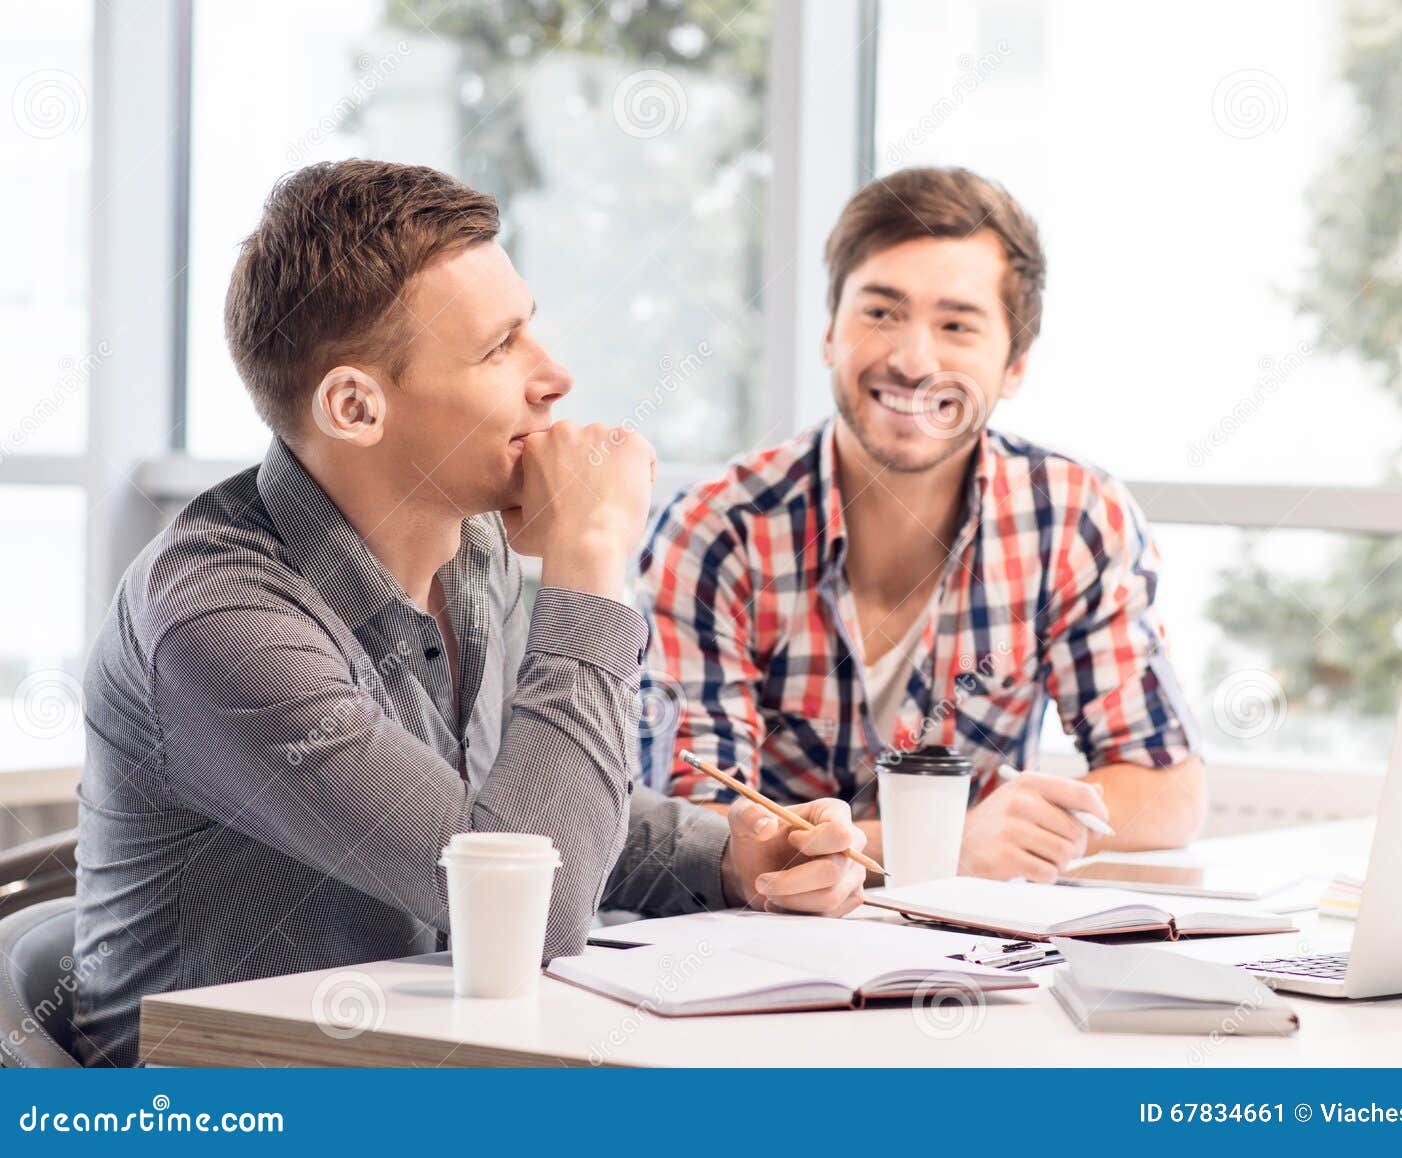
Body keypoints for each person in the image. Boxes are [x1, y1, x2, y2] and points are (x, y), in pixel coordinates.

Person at [72, 160, 866, 1067]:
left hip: (423, 1061)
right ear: (355, 406)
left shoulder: (472, 547)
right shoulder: (217, 622)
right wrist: (589, 561)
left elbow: (513, 818)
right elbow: (530, 909)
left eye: (530, 330)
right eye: (499, 350)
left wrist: (729, 857)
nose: (554, 377)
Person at [639, 167, 1206, 884]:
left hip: (973, 940)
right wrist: (945, 844)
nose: (913, 360)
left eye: (957, 325)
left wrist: (1022, 834)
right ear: (830, 334)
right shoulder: (717, 532)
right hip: (759, 932)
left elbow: (1166, 785)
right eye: (881, 312)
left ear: (1015, 366)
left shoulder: (1070, 519)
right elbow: (697, 828)